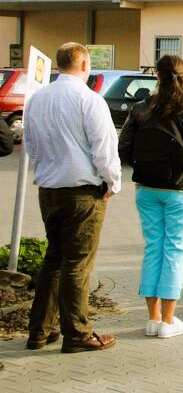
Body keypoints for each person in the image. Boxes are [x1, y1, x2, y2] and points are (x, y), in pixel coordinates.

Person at [23, 42, 122, 353]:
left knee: (54, 259)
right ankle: (77, 333)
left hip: (49, 189)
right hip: (82, 192)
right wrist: (113, 182)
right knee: (77, 263)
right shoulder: (89, 100)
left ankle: (40, 330)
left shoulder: (36, 100)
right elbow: (104, 148)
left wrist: (45, 171)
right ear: (84, 64)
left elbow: (30, 145)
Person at [119, 54, 183, 339]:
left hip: (147, 187)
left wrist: (142, 167)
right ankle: (168, 320)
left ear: (157, 76)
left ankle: (152, 319)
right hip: (181, 190)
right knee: (174, 251)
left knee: (153, 249)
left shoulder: (140, 108)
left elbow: (123, 147)